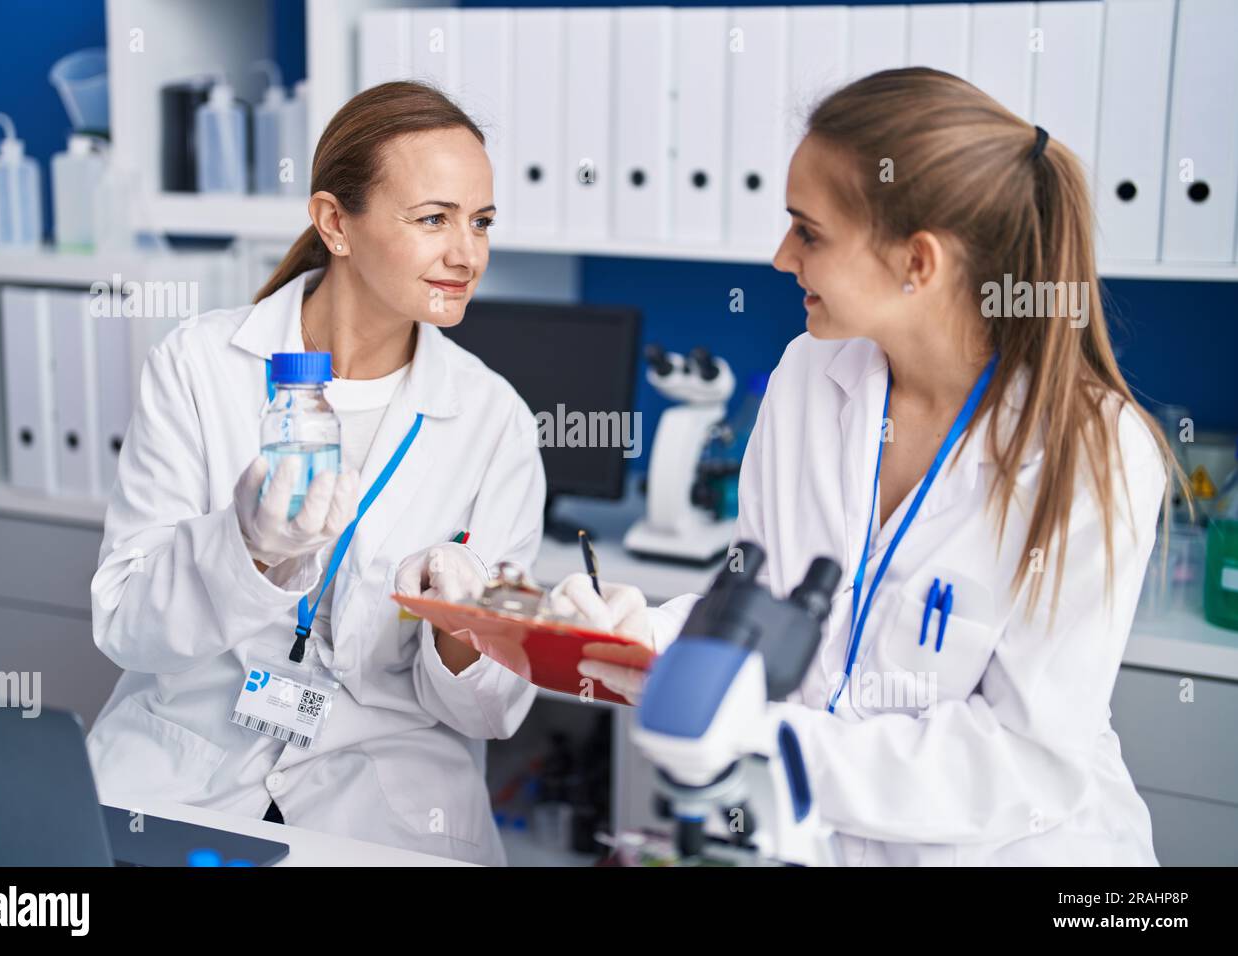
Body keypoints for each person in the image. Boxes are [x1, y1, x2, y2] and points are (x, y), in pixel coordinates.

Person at [551, 68, 1178, 866]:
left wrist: (750, 727)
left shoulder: (1097, 452)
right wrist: (651, 635)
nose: (781, 258)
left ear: (917, 262)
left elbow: (1020, 764)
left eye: (807, 232)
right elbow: (765, 601)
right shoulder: (808, 376)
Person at [86, 82, 544, 866]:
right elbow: (126, 625)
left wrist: (466, 631)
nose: (467, 254)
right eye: (433, 218)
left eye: (482, 221)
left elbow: (492, 713)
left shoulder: (493, 419)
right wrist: (246, 548)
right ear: (336, 222)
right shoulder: (199, 367)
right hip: (183, 770)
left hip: (385, 807)